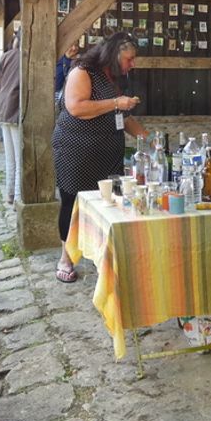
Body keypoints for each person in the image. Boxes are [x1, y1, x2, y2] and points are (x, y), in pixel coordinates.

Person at [52, 32, 146, 283]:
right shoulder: (82, 71)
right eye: (130, 58)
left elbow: (123, 117)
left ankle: (102, 256)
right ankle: (66, 257)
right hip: (76, 151)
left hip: (108, 153)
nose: (132, 64)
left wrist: (147, 140)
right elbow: (76, 107)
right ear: (114, 54)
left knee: (108, 204)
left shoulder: (113, 77)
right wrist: (116, 102)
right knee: (72, 204)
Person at [0, 28, 22, 204]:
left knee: (11, 158)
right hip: (16, 111)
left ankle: (10, 194)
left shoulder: (6, 56)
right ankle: (17, 197)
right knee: (20, 158)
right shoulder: (27, 58)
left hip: (2, 110)